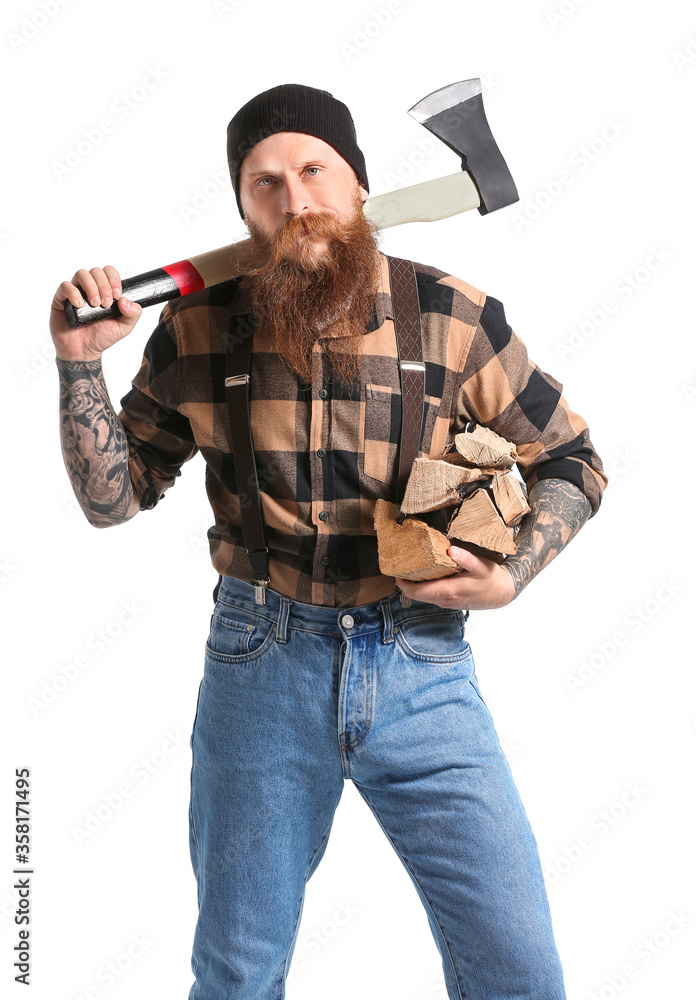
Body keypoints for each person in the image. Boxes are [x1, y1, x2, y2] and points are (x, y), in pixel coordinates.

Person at [50, 83, 607, 1000]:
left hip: (423, 666)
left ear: (358, 185)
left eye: (315, 171)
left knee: (519, 969)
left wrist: (511, 575)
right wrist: (80, 367)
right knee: (237, 974)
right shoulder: (195, 324)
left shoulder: (452, 317)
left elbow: (573, 458)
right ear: (241, 207)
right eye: (264, 183)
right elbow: (114, 500)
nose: (295, 200)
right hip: (259, 665)